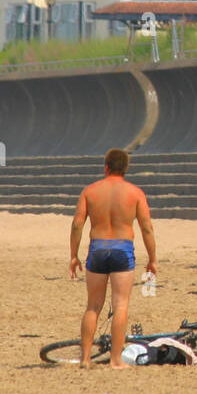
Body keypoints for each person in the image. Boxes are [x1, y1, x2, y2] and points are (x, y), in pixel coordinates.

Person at [69, 148, 158, 369]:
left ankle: (85, 359)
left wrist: (73, 255)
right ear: (125, 168)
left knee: (93, 306)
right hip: (122, 249)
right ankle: (116, 360)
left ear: (106, 167)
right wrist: (152, 259)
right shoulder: (136, 193)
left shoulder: (90, 191)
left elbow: (77, 224)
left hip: (97, 249)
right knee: (121, 305)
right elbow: (147, 228)